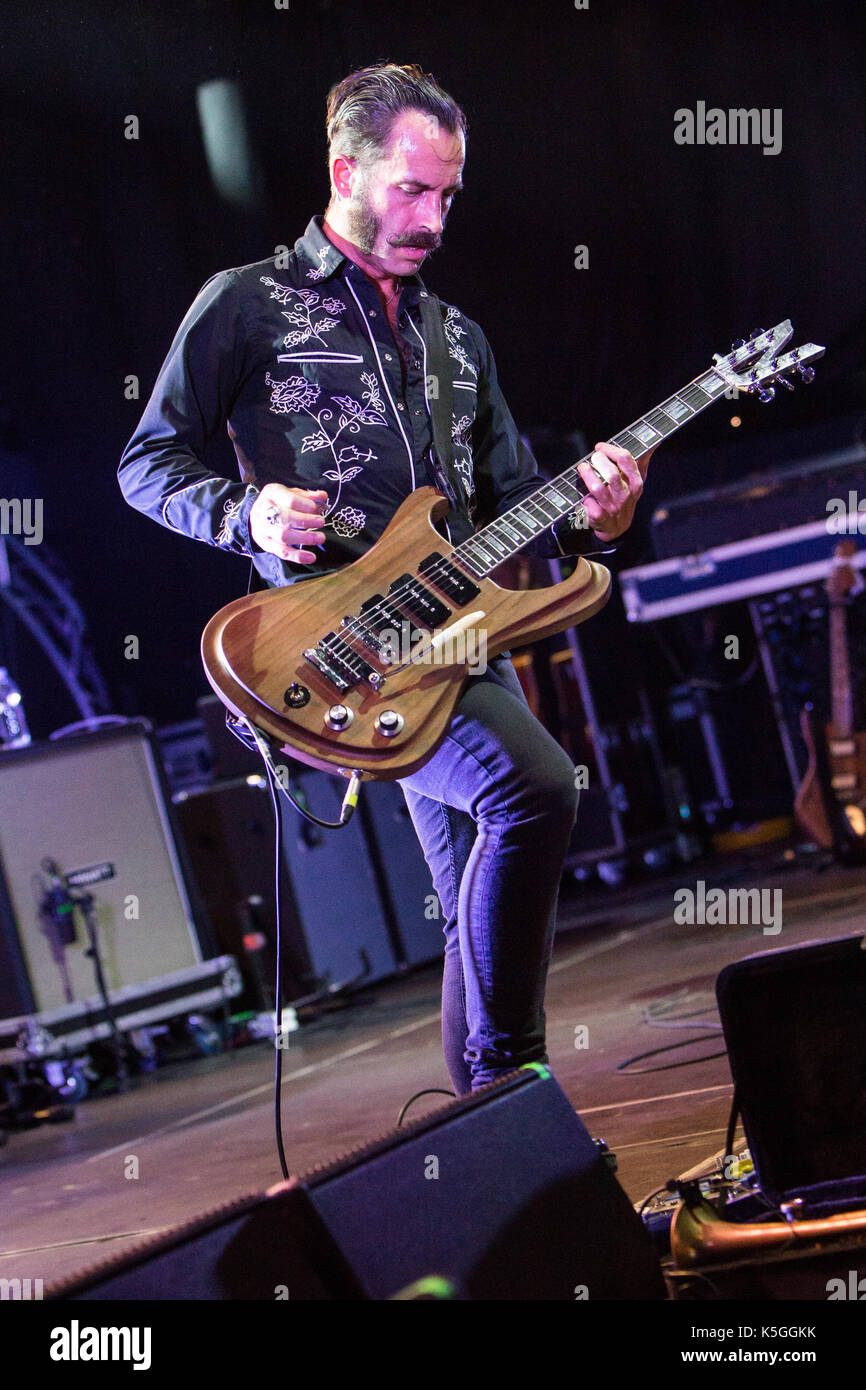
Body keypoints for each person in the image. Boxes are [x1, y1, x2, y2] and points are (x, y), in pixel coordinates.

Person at [119, 62, 654, 1095]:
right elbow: (145, 464)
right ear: (344, 170)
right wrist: (247, 511)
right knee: (533, 785)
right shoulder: (245, 306)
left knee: (470, 920)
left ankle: (500, 1139)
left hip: (455, 647)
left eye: (447, 193)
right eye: (412, 189)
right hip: (336, 653)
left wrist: (604, 515)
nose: (435, 217)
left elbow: (507, 509)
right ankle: (511, 1072)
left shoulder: (456, 339)